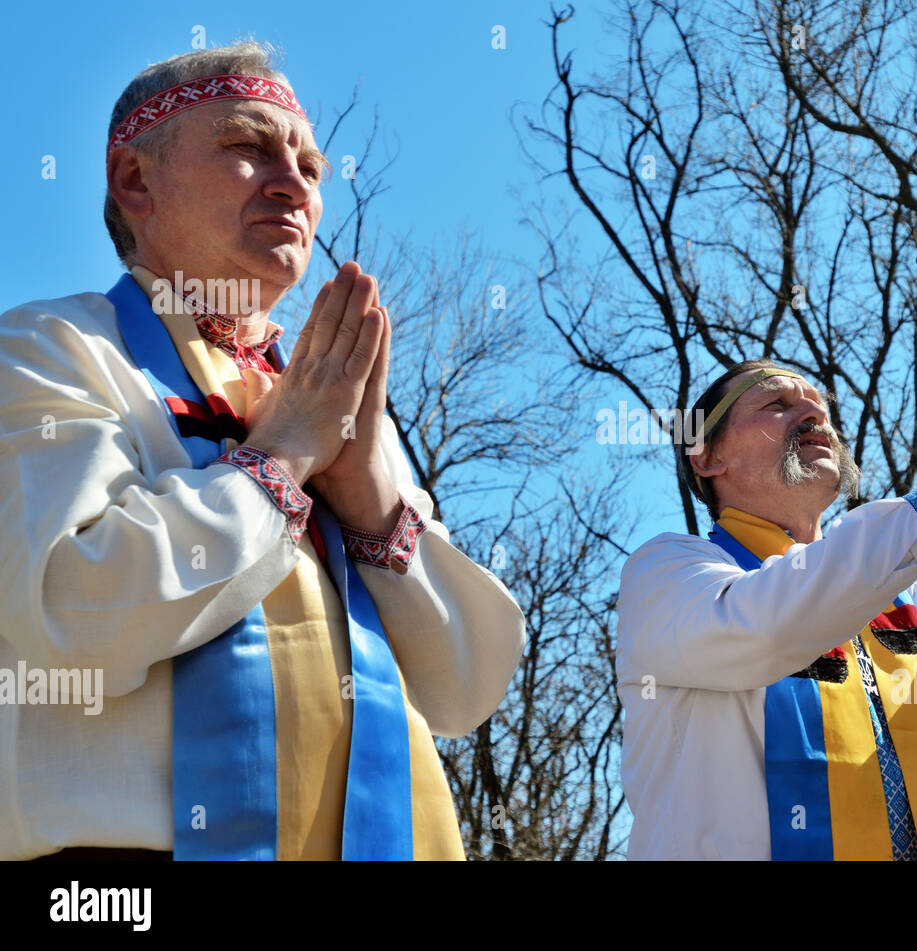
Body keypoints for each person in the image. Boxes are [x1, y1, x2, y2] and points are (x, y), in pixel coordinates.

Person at [0, 43, 526, 860]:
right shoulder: (47, 347)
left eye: (310, 166)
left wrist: (372, 503)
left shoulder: (327, 398)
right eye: (247, 148)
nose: (293, 183)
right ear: (135, 181)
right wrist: (279, 462)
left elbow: (466, 687)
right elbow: (72, 606)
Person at [616, 359, 917, 860]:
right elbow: (769, 628)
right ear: (707, 457)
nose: (815, 412)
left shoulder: (897, 601)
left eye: (821, 405)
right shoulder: (667, 573)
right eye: (777, 402)